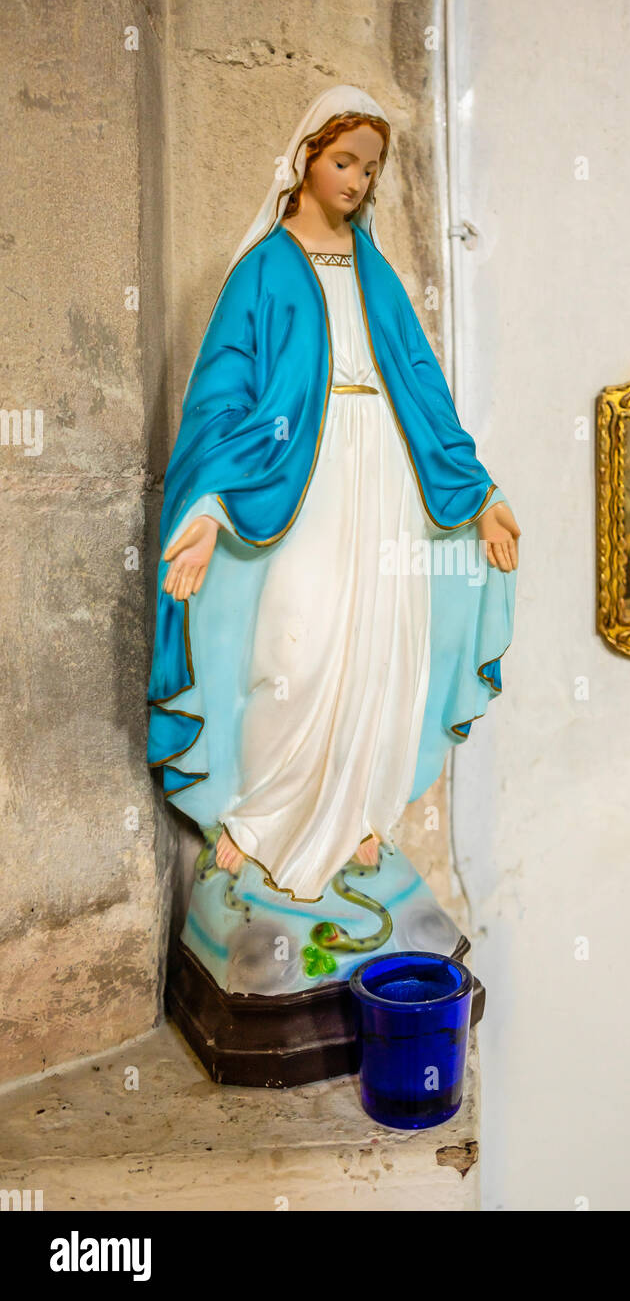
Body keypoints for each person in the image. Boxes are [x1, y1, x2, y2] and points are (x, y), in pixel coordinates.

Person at [147, 85, 520, 903]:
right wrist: (208, 511)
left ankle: (355, 811)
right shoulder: (264, 270)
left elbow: (422, 387)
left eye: (370, 167)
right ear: (308, 156)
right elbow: (222, 397)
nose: (355, 180)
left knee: (381, 644)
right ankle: (258, 819)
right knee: (297, 641)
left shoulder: (375, 271)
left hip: (384, 474)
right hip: (301, 478)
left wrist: (480, 491)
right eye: (343, 160)